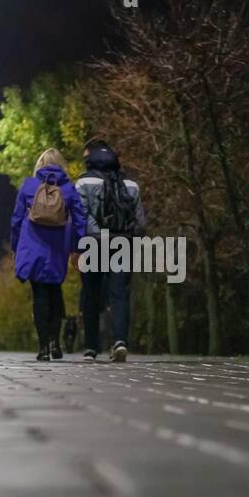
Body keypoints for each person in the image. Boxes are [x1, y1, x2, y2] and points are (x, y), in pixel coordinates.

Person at [10, 147, 87, 361]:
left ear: (39, 165)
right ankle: (54, 341)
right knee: (54, 292)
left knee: (40, 295)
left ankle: (43, 345)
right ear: (61, 165)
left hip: (31, 246)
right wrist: (77, 248)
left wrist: (15, 247)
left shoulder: (29, 186)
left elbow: (16, 220)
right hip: (57, 248)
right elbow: (80, 220)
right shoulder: (69, 189)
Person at [74, 138, 145, 362]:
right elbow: (141, 223)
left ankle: (91, 348)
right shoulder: (131, 185)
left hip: (93, 243)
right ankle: (120, 342)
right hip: (123, 243)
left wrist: (78, 248)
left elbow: (80, 219)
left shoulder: (82, 183)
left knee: (91, 295)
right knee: (120, 295)